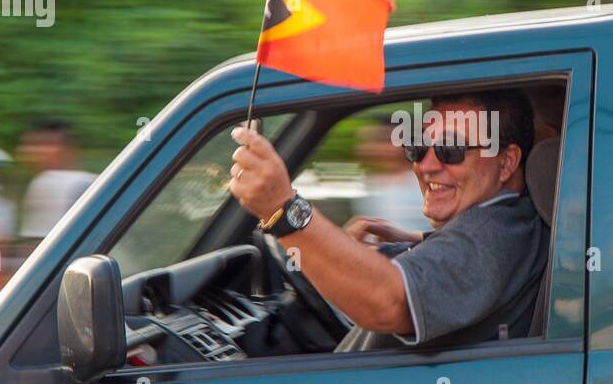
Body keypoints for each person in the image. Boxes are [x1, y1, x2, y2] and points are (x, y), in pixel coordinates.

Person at [228, 90, 549, 351]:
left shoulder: (489, 236)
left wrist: (285, 213)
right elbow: (460, 260)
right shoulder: (514, 220)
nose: (427, 166)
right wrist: (416, 241)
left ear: (506, 162)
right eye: (419, 147)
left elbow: (389, 303)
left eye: (451, 150)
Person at [17, 119, 95, 243]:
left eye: (41, 144)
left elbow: (38, 245)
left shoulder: (51, 183)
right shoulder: (92, 182)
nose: (30, 151)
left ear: (64, 147)